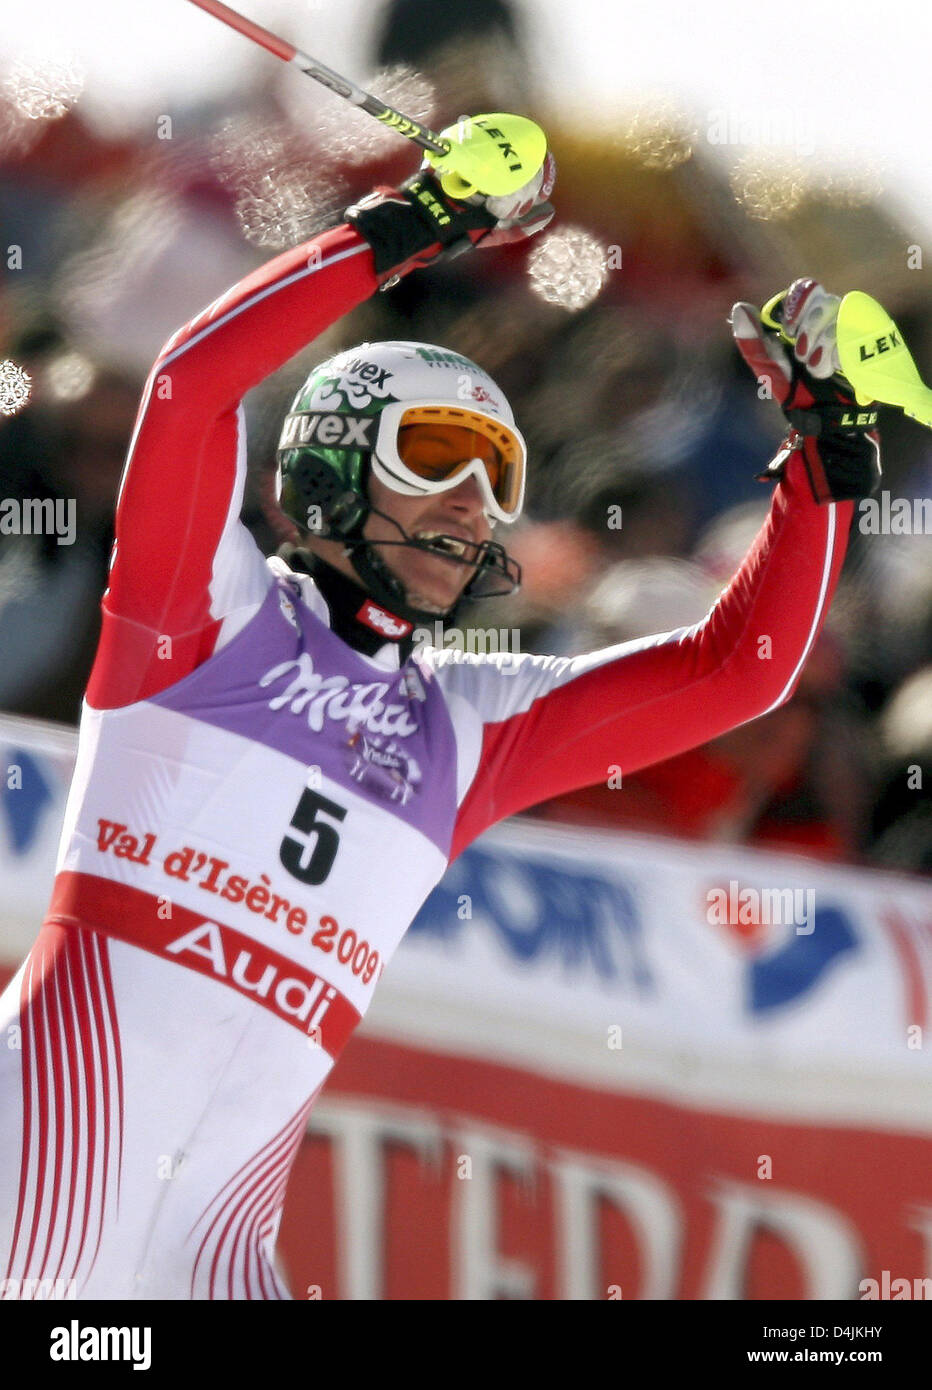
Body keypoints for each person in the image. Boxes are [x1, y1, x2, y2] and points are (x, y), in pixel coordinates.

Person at [0, 135, 880, 1299]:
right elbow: (191, 383)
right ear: (328, 467)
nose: (472, 507)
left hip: (204, 1261)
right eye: (437, 457)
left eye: (496, 478)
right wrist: (410, 221)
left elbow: (738, 670)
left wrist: (819, 463)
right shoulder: (200, 616)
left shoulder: (463, 729)